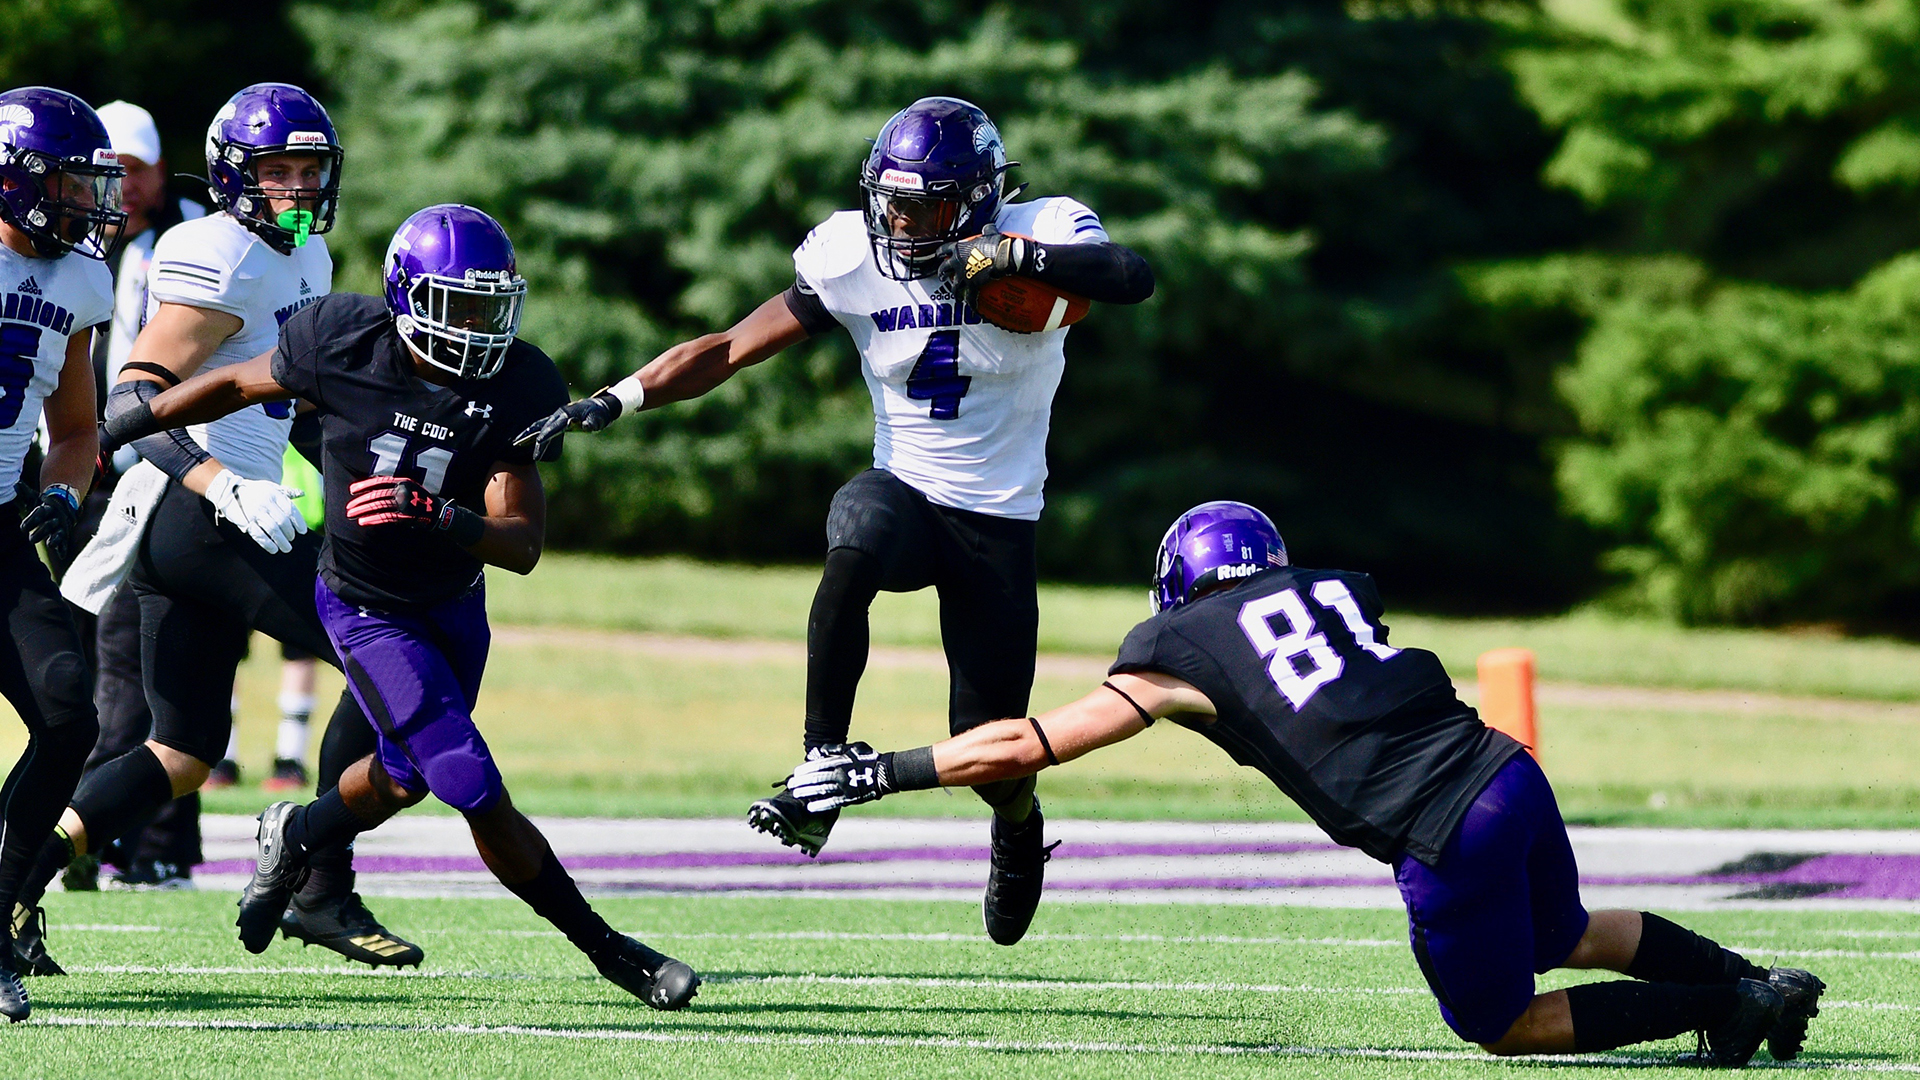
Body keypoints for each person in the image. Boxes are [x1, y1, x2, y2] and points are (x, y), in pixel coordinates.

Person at [779, 500, 1829, 1067]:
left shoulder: (1176, 647)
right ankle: (1761, 980)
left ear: (1179, 587)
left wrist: (872, 769)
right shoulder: (1329, 586)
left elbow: (1023, 747)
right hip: (1508, 770)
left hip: (1440, 828)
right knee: (1567, 929)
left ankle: (1723, 1006)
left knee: (1503, 1024)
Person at [517, 96, 1155, 946]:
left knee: (990, 751)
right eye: (887, 200)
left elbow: (1130, 276)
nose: (896, 220)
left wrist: (1012, 254)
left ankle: (1019, 826)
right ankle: (824, 761)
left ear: (974, 202)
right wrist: (616, 397)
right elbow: (730, 347)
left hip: (998, 521)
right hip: (909, 493)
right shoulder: (854, 255)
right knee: (856, 525)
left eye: (920, 204)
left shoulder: (1040, 232)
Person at [98, 203, 701, 1010]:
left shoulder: (522, 381)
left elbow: (520, 544)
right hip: (366, 608)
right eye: (461, 307)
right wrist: (138, 418)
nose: (481, 327)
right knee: (471, 783)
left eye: (493, 306)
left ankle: (297, 834)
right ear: (407, 298)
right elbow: (240, 382)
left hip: (453, 603)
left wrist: (437, 515)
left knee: (400, 776)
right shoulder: (343, 340)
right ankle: (613, 952)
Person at [27, 83, 416, 973]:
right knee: (386, 649)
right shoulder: (219, 255)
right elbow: (133, 399)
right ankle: (320, 882)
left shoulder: (305, 256)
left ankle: (15, 882)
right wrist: (221, 484)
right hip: (198, 514)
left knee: (183, 750)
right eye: (275, 172)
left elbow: (295, 402)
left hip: (218, 519)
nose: (296, 189)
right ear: (236, 177)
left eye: (309, 171)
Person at [59, 98, 209, 894]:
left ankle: (127, 840)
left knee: (147, 664)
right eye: (102, 169)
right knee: (91, 663)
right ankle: (103, 832)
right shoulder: (69, 236)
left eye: (130, 169)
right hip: (83, 464)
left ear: (157, 167)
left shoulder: (194, 237)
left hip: (162, 469)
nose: (115, 184)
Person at [0, 85, 123, 1020]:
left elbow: (76, 427)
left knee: (68, 709)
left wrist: (58, 490)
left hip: (2, 523)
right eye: (72, 184)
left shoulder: (82, 282)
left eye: (91, 184)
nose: (87, 203)